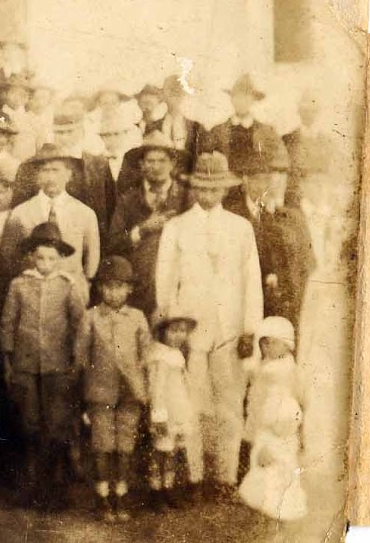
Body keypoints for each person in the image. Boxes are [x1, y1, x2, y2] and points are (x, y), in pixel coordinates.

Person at [155, 152, 263, 494]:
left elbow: (252, 280)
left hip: (230, 328)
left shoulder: (240, 227)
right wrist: (173, 327)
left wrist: (249, 328)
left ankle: (225, 476)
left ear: (225, 190)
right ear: (193, 188)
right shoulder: (177, 227)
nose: (207, 195)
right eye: (201, 187)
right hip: (191, 328)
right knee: (193, 402)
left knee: (229, 404)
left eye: (215, 188)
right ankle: (195, 475)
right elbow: (165, 280)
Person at [0, 221, 88, 511]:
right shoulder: (19, 285)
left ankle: (55, 490)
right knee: (30, 424)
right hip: (25, 365)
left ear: (60, 258)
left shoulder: (67, 286)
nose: (46, 263)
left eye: (52, 258)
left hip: (57, 366)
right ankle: (30, 487)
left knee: (57, 426)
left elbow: (80, 325)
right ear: (31, 257)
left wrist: (77, 359)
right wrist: (8, 358)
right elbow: (8, 323)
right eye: (40, 257)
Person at [76, 256, 152, 521]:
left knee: (125, 446)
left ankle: (121, 495)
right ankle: (102, 497)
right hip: (100, 392)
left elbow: (146, 355)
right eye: (108, 286)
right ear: (99, 289)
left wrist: (141, 384)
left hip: (131, 393)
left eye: (120, 286)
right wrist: (87, 390)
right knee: (102, 445)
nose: (114, 292)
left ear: (129, 289)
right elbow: (81, 357)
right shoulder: (91, 317)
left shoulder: (138, 318)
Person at [227, 143, 314, 333]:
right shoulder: (234, 213)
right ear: (245, 181)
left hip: (267, 293)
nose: (262, 186)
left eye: (266, 180)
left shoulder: (271, 215)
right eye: (257, 180)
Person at [104, 134, 187, 317]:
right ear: (141, 165)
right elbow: (113, 244)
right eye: (150, 161)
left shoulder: (184, 197)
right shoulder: (128, 200)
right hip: (140, 290)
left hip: (177, 286)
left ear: (172, 164)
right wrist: (142, 229)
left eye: (162, 161)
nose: (156, 166)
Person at [237, 317, 307, 522]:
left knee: (274, 466)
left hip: (277, 423)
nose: (267, 347)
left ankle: (276, 510)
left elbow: (283, 401)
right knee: (263, 467)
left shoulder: (280, 371)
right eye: (264, 342)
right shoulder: (271, 364)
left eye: (272, 342)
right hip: (266, 424)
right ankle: (267, 508)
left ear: (286, 344)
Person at [0, 144, 101, 280]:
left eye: (56, 170)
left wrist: (84, 284)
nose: (50, 177)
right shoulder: (20, 213)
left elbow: (92, 256)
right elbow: (9, 257)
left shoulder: (85, 213)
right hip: (33, 289)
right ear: (36, 176)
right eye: (45, 171)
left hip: (71, 288)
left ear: (69, 174)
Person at [147, 316, 199, 510]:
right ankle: (156, 491)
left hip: (178, 410)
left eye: (183, 331)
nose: (179, 335)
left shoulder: (176, 353)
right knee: (161, 452)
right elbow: (157, 388)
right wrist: (158, 414)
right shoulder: (160, 356)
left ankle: (168, 489)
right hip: (165, 411)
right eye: (174, 330)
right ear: (163, 331)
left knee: (172, 453)